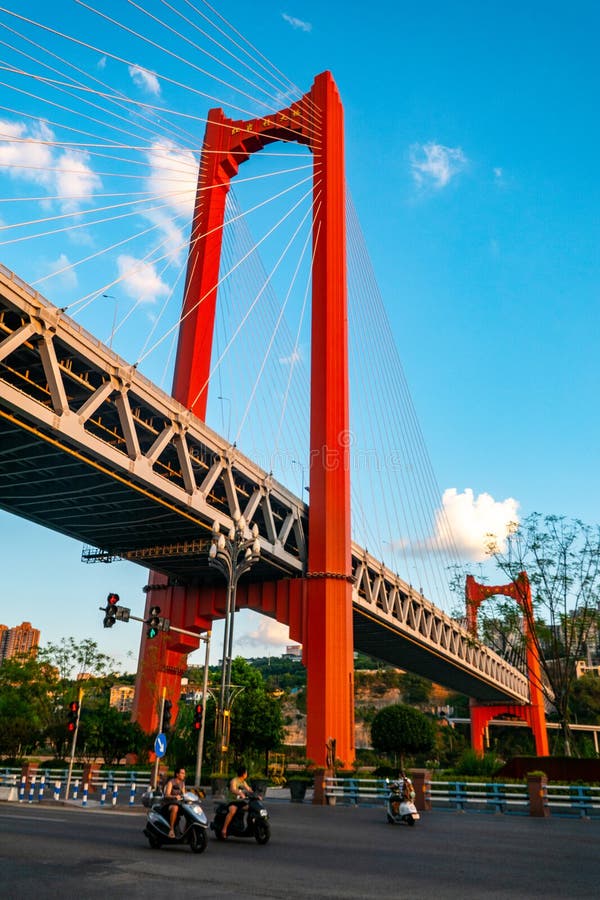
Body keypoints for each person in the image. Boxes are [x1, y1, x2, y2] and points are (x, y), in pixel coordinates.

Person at [221, 764, 252, 839]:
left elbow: (249, 789)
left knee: (251, 808)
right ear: (243, 774)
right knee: (233, 811)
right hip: (232, 801)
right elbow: (233, 789)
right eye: (246, 773)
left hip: (240, 801)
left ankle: (249, 826)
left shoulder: (243, 782)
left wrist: (256, 795)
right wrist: (240, 793)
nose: (247, 774)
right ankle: (224, 829)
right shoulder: (234, 781)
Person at [164, 765, 186, 838]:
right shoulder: (171, 782)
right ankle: (171, 829)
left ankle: (186, 830)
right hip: (169, 804)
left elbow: (184, 795)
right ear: (177, 774)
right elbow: (167, 795)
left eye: (184, 773)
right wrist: (175, 797)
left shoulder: (182, 783)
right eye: (182, 773)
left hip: (179, 803)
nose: (184, 775)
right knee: (175, 808)